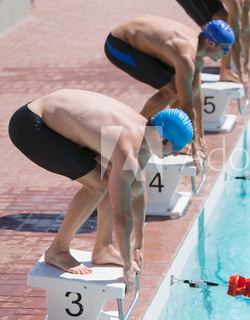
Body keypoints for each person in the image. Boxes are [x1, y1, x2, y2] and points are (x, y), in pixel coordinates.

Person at [8, 89, 193, 294]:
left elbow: (138, 191)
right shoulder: (126, 146)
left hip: (51, 116)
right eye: (175, 148)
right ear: (161, 137)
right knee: (99, 185)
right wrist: (127, 265)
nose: (174, 154)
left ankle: (103, 248)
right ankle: (57, 250)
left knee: (113, 174)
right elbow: (121, 216)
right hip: (31, 126)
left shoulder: (145, 132)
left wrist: (139, 241)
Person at [104, 15, 234, 168]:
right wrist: (193, 148)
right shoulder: (186, 57)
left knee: (180, 88)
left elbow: (197, 95)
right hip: (119, 44)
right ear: (211, 43)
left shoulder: (198, 55)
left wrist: (201, 137)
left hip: (136, 38)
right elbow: (187, 107)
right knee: (172, 91)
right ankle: (134, 134)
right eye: (225, 50)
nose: (225, 55)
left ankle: (162, 137)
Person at [172, 0, 250, 89]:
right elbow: (235, 41)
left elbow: (246, 31)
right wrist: (241, 73)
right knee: (211, 36)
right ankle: (187, 75)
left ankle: (226, 71)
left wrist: (247, 62)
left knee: (224, 25)